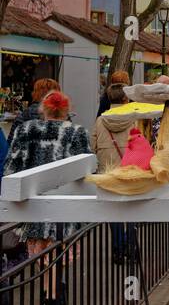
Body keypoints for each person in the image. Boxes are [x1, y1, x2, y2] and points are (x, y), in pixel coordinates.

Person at [5, 90, 91, 260]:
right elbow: (87, 171)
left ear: (43, 109)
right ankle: (52, 286)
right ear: (67, 110)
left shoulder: (26, 129)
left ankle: (49, 286)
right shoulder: (77, 132)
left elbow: (11, 168)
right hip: (66, 208)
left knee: (42, 258)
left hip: (34, 206)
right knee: (58, 258)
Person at [91, 83, 141, 266]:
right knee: (132, 210)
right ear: (125, 99)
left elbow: (93, 146)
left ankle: (118, 248)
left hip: (108, 171)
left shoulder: (100, 121)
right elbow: (141, 144)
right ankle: (130, 245)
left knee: (114, 212)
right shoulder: (134, 119)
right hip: (130, 170)